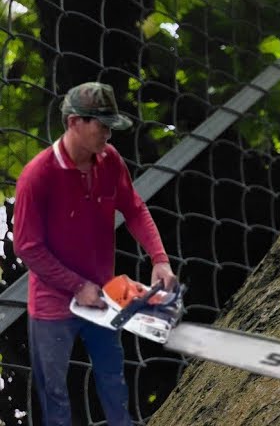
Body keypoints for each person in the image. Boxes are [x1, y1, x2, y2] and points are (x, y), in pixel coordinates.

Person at [13, 82, 177, 426]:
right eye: (101, 125)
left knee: (113, 380)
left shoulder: (110, 160)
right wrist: (76, 286)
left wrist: (159, 258)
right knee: (55, 395)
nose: (107, 134)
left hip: (104, 298)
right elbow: (27, 246)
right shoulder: (37, 177)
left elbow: (133, 208)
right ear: (74, 123)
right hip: (51, 308)